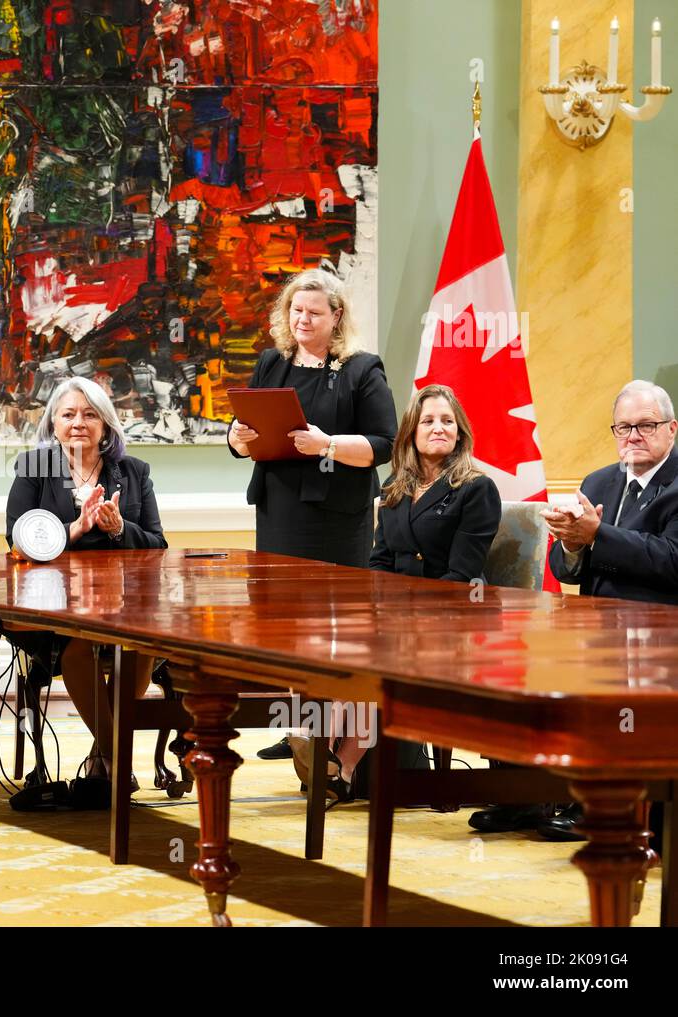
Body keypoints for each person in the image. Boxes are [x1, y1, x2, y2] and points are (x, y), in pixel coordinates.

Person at [291, 385, 500, 803]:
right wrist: (375, 607)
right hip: (396, 614)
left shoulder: (476, 488)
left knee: (376, 655)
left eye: (447, 421)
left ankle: (339, 762)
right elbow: (380, 560)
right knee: (332, 640)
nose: (438, 428)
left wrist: (401, 614)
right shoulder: (394, 486)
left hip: (452, 614)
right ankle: (319, 747)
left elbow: (460, 575)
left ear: (460, 432)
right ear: (411, 433)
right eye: (428, 420)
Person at [227, 268, 397, 760]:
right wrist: (236, 440)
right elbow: (247, 427)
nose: (303, 319)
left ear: (336, 316)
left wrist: (328, 445)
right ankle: (300, 727)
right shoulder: (271, 363)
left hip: (336, 519)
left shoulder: (362, 369)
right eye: (296, 310)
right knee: (286, 627)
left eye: (314, 312)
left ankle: (333, 737)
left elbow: (383, 445)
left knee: (335, 629)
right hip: (279, 510)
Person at [1, 376, 167, 793]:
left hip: (122, 602)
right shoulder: (34, 469)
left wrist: (118, 529)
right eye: (69, 414)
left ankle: (102, 756)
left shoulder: (133, 472)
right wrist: (75, 528)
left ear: (106, 425)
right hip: (53, 602)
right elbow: (16, 539)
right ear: (53, 424)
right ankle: (117, 756)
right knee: (78, 652)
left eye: (90, 414)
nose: (79, 422)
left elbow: (157, 545)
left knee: (141, 648)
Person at [534, 379, 678, 844]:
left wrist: (597, 536)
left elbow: (671, 559)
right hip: (597, 629)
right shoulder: (598, 482)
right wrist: (571, 544)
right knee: (523, 666)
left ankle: (610, 808)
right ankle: (527, 794)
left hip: (661, 631)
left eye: (645, 426)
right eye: (623, 428)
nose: (632, 436)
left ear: (671, 429)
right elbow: (567, 568)